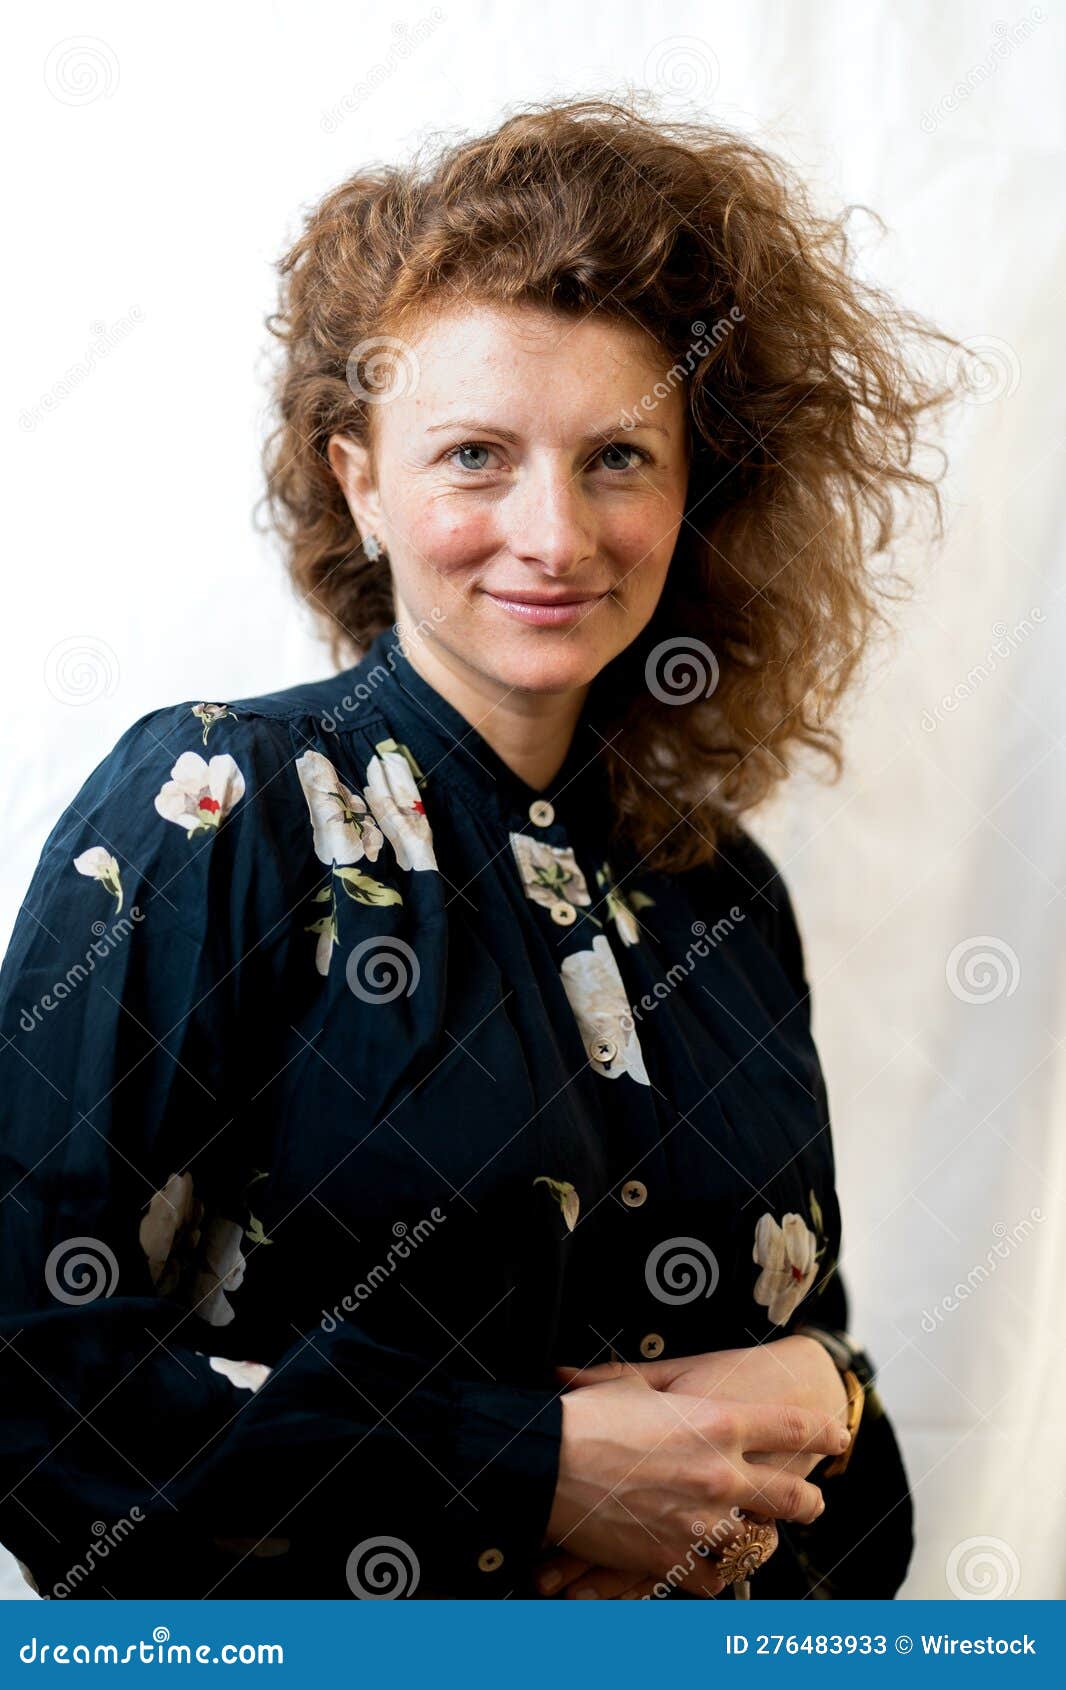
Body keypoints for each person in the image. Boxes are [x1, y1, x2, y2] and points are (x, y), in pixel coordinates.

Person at [0, 96, 955, 1600]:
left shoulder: (719, 891)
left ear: (695, 484)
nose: (554, 534)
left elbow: (837, 1469)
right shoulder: (216, 805)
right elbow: (29, 1366)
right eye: (473, 454)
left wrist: (823, 1411)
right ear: (357, 479)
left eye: (618, 458)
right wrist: (543, 1475)